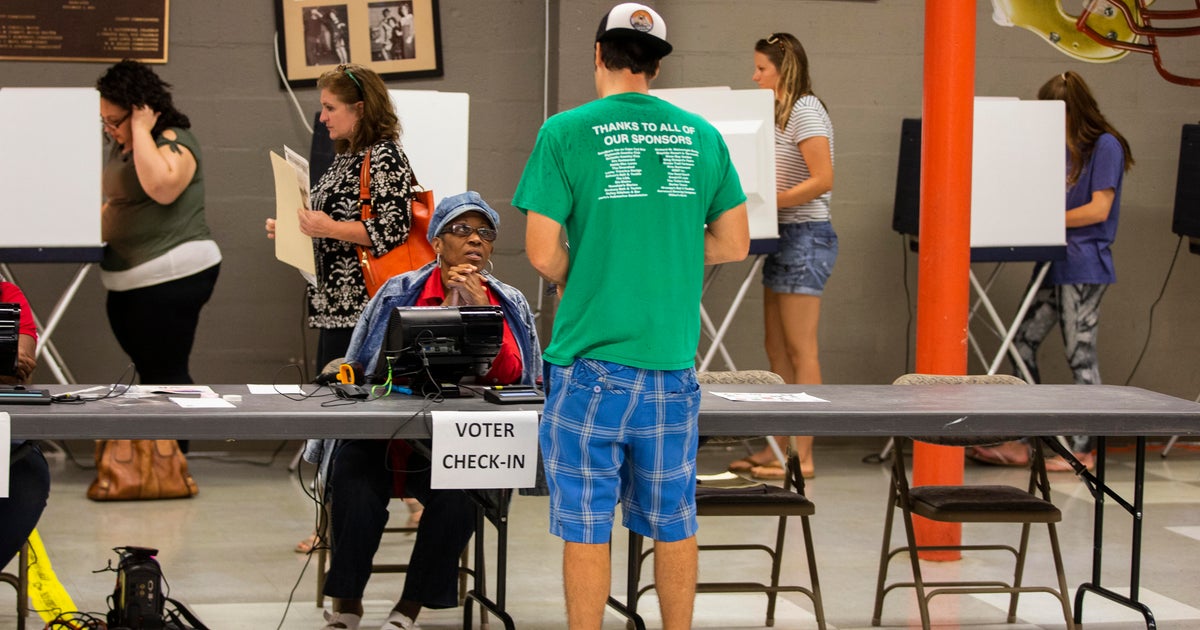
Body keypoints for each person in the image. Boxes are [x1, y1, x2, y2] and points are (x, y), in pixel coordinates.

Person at [513, 4, 749, 628]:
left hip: (590, 365)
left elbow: (541, 252)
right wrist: (668, 253)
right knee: (674, 520)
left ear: (598, 54)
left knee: (587, 525)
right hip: (671, 364)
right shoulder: (702, 136)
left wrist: (591, 268)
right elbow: (733, 243)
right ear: (657, 66)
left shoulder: (564, 132)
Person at [304, 191, 539, 630]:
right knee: (353, 479)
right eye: (462, 229)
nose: (475, 240)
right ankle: (347, 606)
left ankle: (408, 609)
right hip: (389, 435)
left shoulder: (505, 300)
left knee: (464, 497)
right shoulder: (399, 291)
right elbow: (365, 365)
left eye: (485, 232)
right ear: (437, 242)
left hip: (463, 441)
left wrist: (479, 310)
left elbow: (513, 375)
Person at [267, 63, 420, 553]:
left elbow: (391, 230)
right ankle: (344, 516)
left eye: (330, 108)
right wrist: (295, 229)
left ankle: (334, 523)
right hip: (336, 307)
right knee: (339, 416)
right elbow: (333, 224)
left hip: (363, 313)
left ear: (360, 108)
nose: (323, 117)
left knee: (344, 419)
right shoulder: (346, 157)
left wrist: (326, 227)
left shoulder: (385, 157)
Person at [968, 70, 1133, 472]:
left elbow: (1099, 209)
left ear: (1073, 112)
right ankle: (1029, 440)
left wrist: (1043, 219)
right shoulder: (1056, 148)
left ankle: (1084, 449)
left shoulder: (1105, 146)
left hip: (1084, 265)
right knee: (1021, 344)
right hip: (1053, 262)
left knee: (1081, 356)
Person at [727, 32, 835, 481]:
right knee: (776, 348)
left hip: (805, 235)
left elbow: (823, 179)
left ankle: (803, 455)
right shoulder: (774, 113)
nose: (754, 77)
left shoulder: (805, 110)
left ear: (783, 69)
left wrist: (771, 200)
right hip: (782, 234)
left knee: (800, 349)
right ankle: (779, 447)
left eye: (761, 69)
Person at [97, 60, 221, 427]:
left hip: (174, 275)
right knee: (153, 376)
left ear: (140, 109)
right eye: (104, 121)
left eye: (115, 121)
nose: (109, 129)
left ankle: (173, 455)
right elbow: (120, 200)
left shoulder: (173, 140)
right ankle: (156, 454)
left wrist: (140, 128)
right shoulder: (125, 146)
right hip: (131, 281)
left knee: (167, 375)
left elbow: (162, 188)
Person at [0, 280, 50, 569]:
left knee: (27, 473)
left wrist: (10, 364)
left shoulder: (7, 294)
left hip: (3, 428)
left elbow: (19, 369)